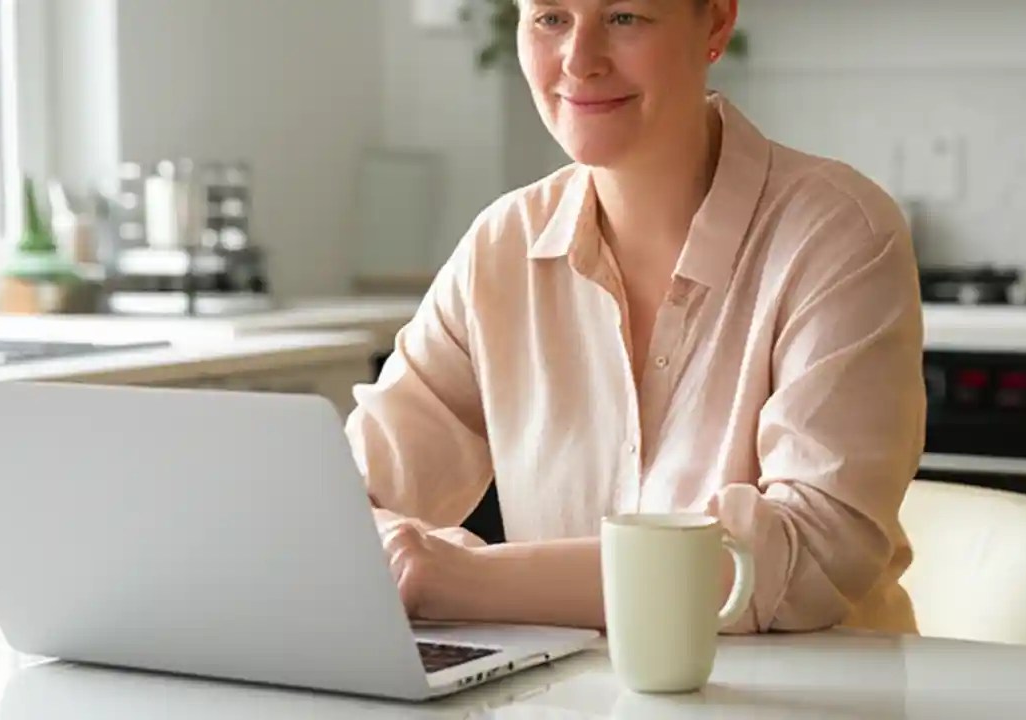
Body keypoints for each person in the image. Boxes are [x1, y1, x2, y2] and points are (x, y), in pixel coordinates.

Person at [345, 0, 925, 634]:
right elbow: (345, 498)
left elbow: (810, 554)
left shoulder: (838, 233)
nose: (579, 61)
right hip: (570, 685)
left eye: (624, 17)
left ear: (715, 22)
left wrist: (462, 578)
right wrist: (400, 552)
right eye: (550, 18)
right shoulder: (502, 245)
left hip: (820, 685)